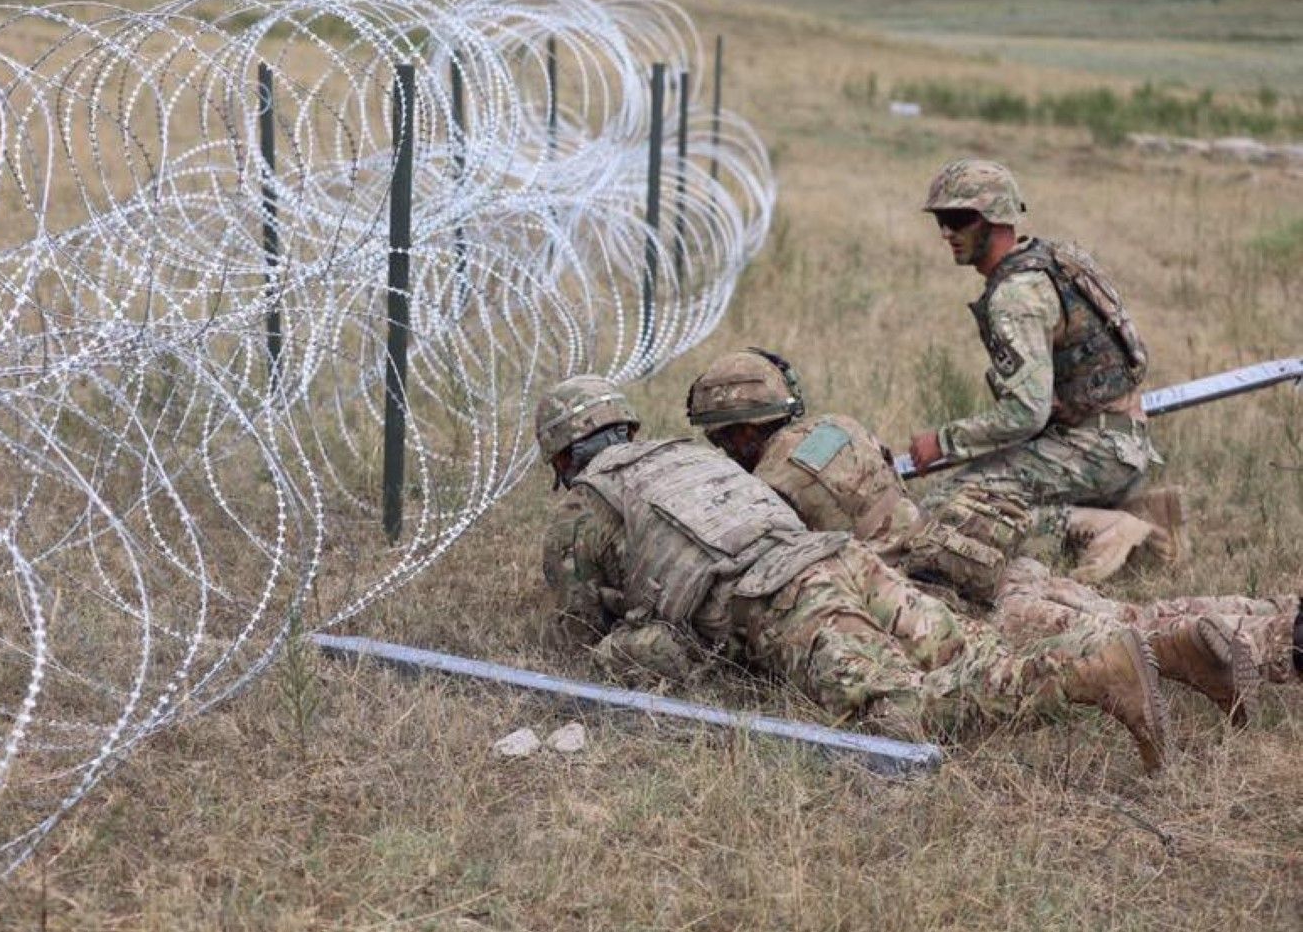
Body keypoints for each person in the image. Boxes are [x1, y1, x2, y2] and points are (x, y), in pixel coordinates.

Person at [536, 373, 1170, 769]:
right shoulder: (689, 455)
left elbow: (578, 627)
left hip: (780, 597)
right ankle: (1146, 645)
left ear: (564, 454)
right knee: (964, 646)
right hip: (845, 558)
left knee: (902, 710)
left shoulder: (583, 505)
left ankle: (1096, 670)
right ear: (627, 425)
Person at [686, 347, 1302, 723]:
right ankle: (1277, 615)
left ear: (740, 433)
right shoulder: (836, 427)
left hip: (940, 599)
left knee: (1122, 637)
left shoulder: (771, 487)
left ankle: (1280, 645)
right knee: (1124, 610)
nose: (720, 453)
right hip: (978, 558)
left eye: (720, 441)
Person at [906, 158, 1179, 582]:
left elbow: (1025, 414)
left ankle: (1111, 527)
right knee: (990, 488)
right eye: (941, 219)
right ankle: (1139, 514)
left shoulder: (1016, 295)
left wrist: (944, 441)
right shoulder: (1052, 258)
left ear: (995, 219)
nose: (946, 233)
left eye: (958, 219)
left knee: (950, 509)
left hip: (1096, 449)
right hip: (1118, 440)